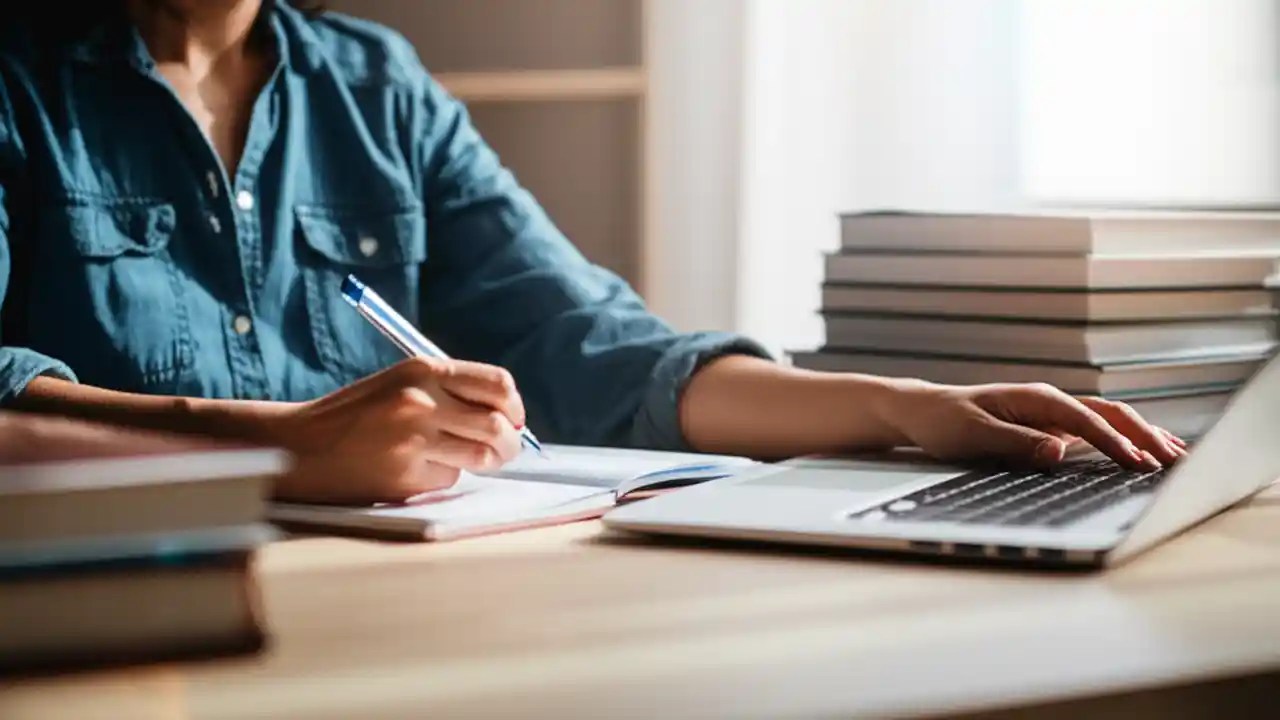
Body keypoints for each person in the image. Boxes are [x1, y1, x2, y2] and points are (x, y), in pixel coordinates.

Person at [0, 0, 1185, 504]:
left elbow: (594, 348)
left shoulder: (377, 88)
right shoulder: (17, 78)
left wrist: (903, 406)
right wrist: (283, 449)